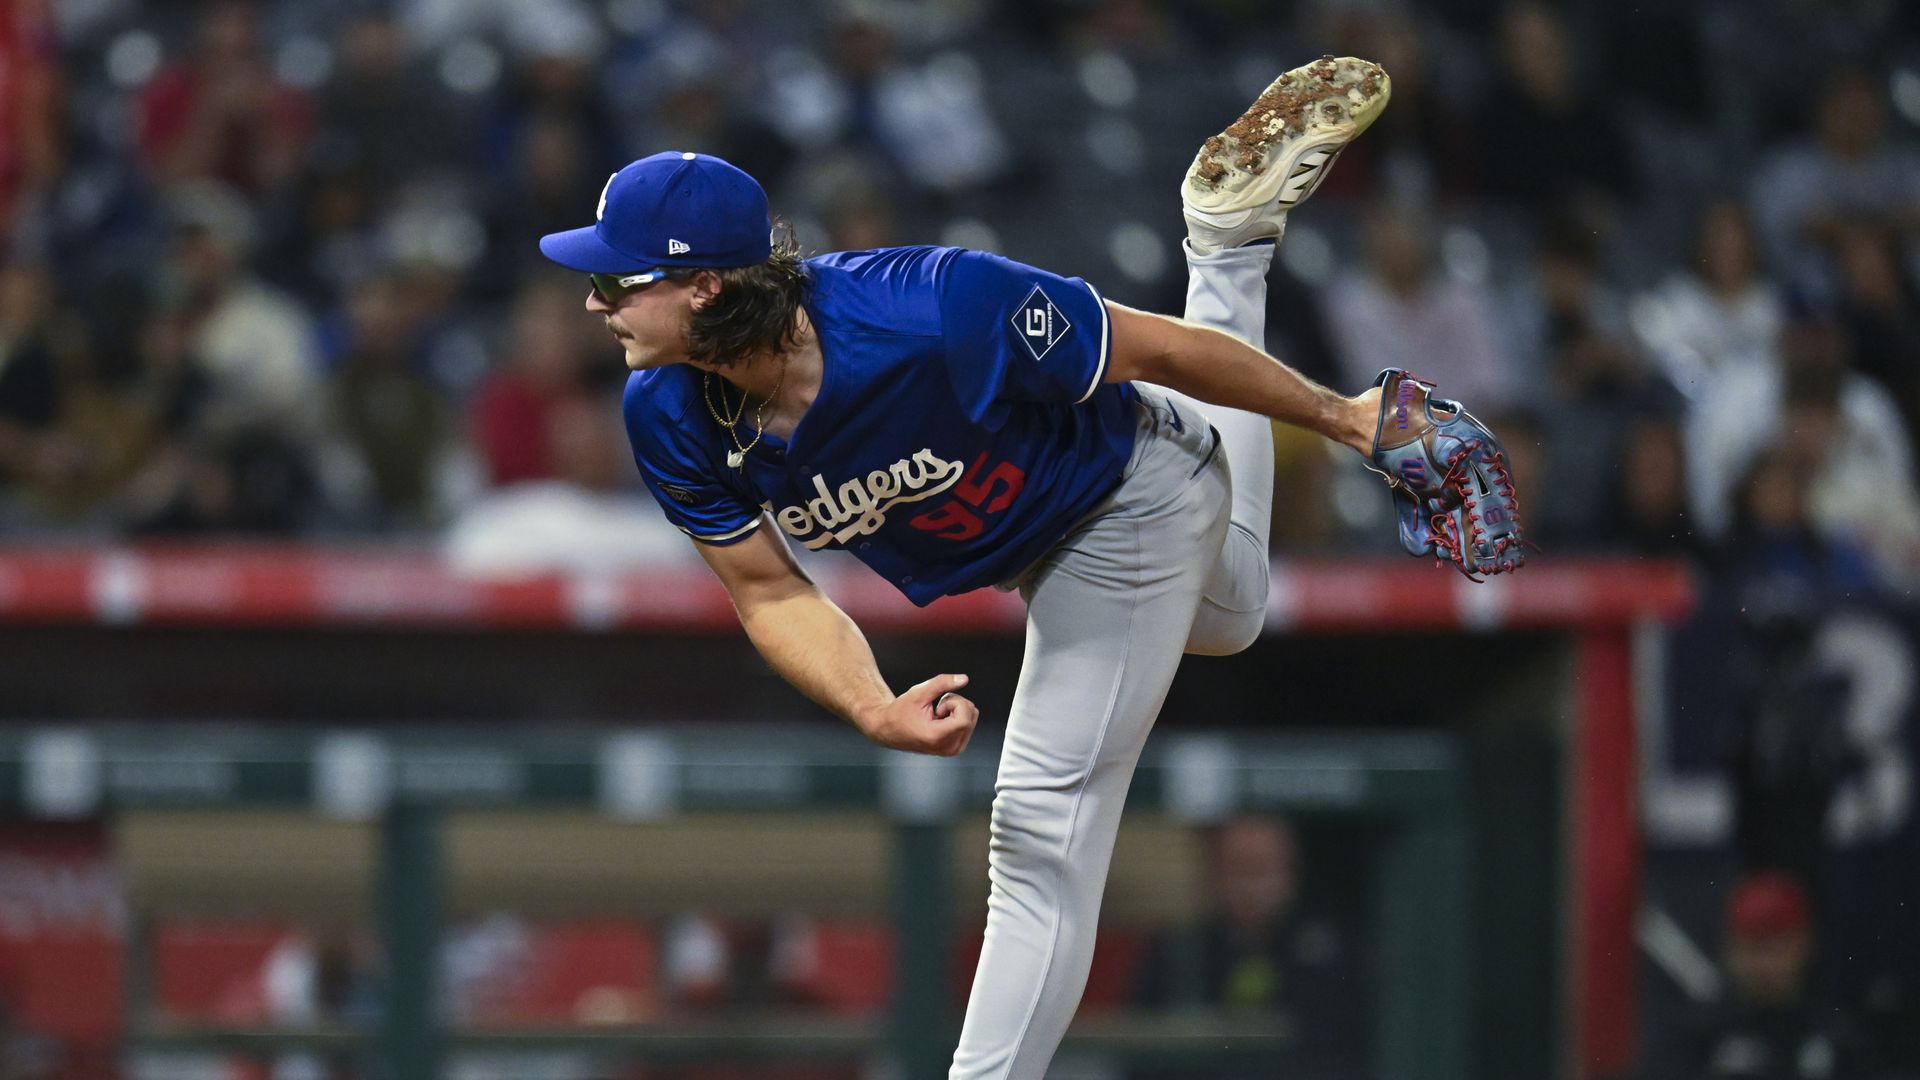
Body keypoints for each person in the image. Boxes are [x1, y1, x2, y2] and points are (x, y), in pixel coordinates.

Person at [538, 56, 1512, 1078]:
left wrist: (1348, 418)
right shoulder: (665, 411)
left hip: (1128, 491)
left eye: (616, 280)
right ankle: (1228, 247)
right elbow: (770, 588)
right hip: (1045, 545)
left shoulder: (929, 308)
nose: (595, 302)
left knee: (1040, 829)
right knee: (1233, 614)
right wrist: (871, 703)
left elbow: (1157, 352)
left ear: (704, 286)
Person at [1131, 815, 1368, 1079]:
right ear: (1213, 875)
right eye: (1240, 869)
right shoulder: (1179, 955)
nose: (1252, 887)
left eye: (1263, 869)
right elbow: (1144, 1054)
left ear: (1291, 874)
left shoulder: (1329, 953)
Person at [1644, 872, 1880, 1080]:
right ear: (1728, 948)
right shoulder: (1694, 1039)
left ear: (1805, 945)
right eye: (1751, 947)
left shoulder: (1838, 1036)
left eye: (1774, 948)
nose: (1764, 965)